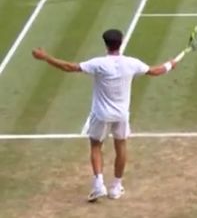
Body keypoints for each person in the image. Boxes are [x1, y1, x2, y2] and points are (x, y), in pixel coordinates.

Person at [31, 29, 184, 202]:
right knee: (121, 147)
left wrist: (46, 57)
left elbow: (69, 67)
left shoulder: (98, 64)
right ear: (121, 42)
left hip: (101, 114)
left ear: (105, 44)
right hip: (121, 115)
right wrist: (170, 64)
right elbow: (156, 71)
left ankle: (98, 186)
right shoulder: (132, 63)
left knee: (96, 146)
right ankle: (116, 188)